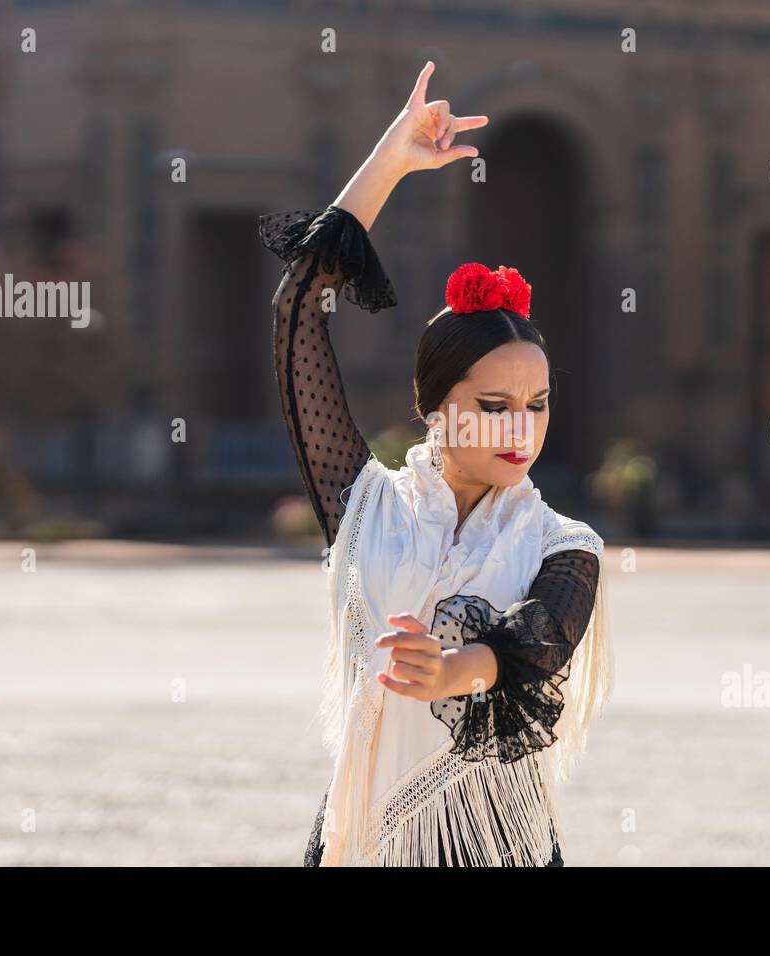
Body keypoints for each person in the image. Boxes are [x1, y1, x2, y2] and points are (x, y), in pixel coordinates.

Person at [260, 61, 612, 867]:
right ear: (435, 404)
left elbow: (540, 642)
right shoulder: (364, 505)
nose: (521, 428)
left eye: (538, 403)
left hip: (495, 848)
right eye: (494, 407)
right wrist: (391, 158)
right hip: (359, 841)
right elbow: (296, 317)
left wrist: (452, 669)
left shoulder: (566, 545)